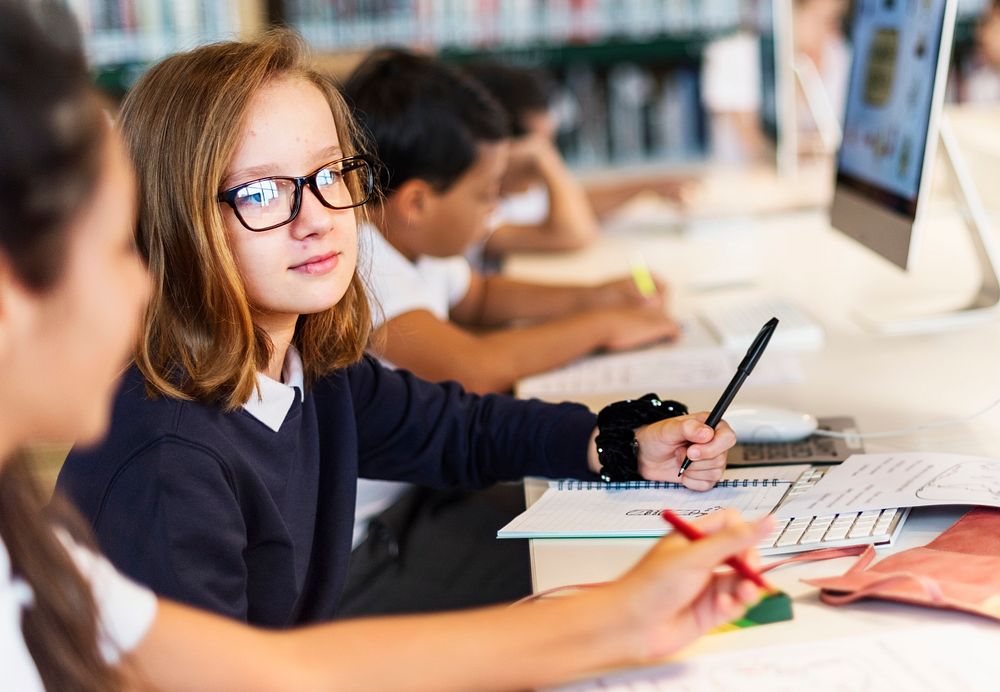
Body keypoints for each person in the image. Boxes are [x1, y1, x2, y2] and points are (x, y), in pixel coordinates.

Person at [2, 4, 772, 689]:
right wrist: (584, 625)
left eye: (333, 174)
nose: (320, 217)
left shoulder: (308, 366)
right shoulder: (168, 466)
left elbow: (457, 429)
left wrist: (620, 446)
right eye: (264, 193)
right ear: (176, 226)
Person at [343, 48, 677, 395]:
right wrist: (603, 326)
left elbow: (480, 297)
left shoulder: (414, 243)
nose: (494, 207)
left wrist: (597, 296)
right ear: (416, 203)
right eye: (486, 194)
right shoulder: (366, 263)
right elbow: (473, 368)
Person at [461, 61, 601, 265]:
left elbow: (581, 201)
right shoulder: (479, 208)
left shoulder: (511, 194)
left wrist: (647, 187)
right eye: (537, 143)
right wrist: (545, 158)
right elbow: (575, 234)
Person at [701, 0, 850, 163]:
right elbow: (762, 151)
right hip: (743, 179)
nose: (833, 32)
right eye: (826, 20)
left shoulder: (838, 54)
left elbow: (844, 139)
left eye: (839, 19)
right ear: (789, 10)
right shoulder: (734, 55)